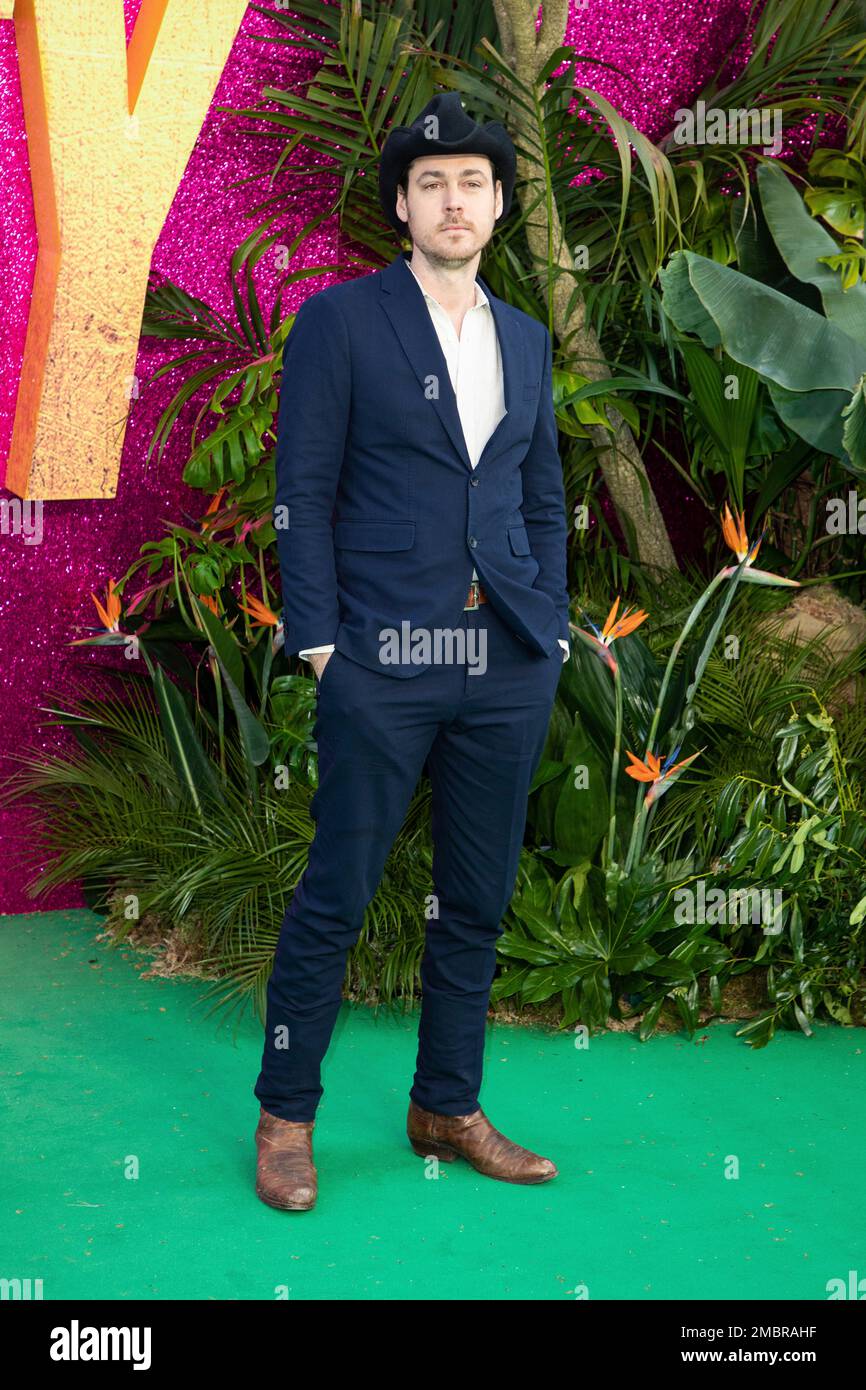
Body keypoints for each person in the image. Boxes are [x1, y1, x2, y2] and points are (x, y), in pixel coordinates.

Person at [253, 91, 570, 1211]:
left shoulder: (524, 339)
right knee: (337, 891)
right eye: (430, 181)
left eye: (471, 182)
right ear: (401, 203)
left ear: (494, 204)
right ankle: (286, 1115)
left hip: (506, 661)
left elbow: (540, 497)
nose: (452, 199)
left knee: (474, 898)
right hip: (380, 660)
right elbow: (302, 491)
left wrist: (552, 627)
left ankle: (446, 1099)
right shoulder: (341, 322)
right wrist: (322, 648)